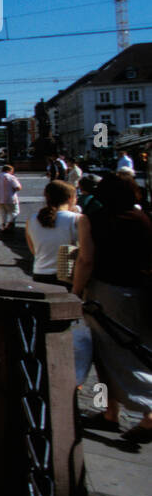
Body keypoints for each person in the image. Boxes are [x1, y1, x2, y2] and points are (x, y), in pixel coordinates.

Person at [71, 174, 152, 443]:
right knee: (129, 349)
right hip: (140, 290)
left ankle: (147, 415)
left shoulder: (92, 220)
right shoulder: (142, 219)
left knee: (113, 351)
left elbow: (86, 260)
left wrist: (75, 293)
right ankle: (110, 412)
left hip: (107, 293)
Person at [25, 181, 79, 286]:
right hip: (67, 274)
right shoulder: (76, 219)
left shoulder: (31, 219)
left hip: (40, 272)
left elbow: (34, 250)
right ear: (70, 198)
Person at [0, 163, 22, 232]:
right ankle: (10, 224)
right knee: (15, 212)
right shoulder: (11, 177)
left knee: (2, 213)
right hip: (10, 198)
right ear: (9, 170)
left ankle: (3, 226)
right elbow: (18, 187)